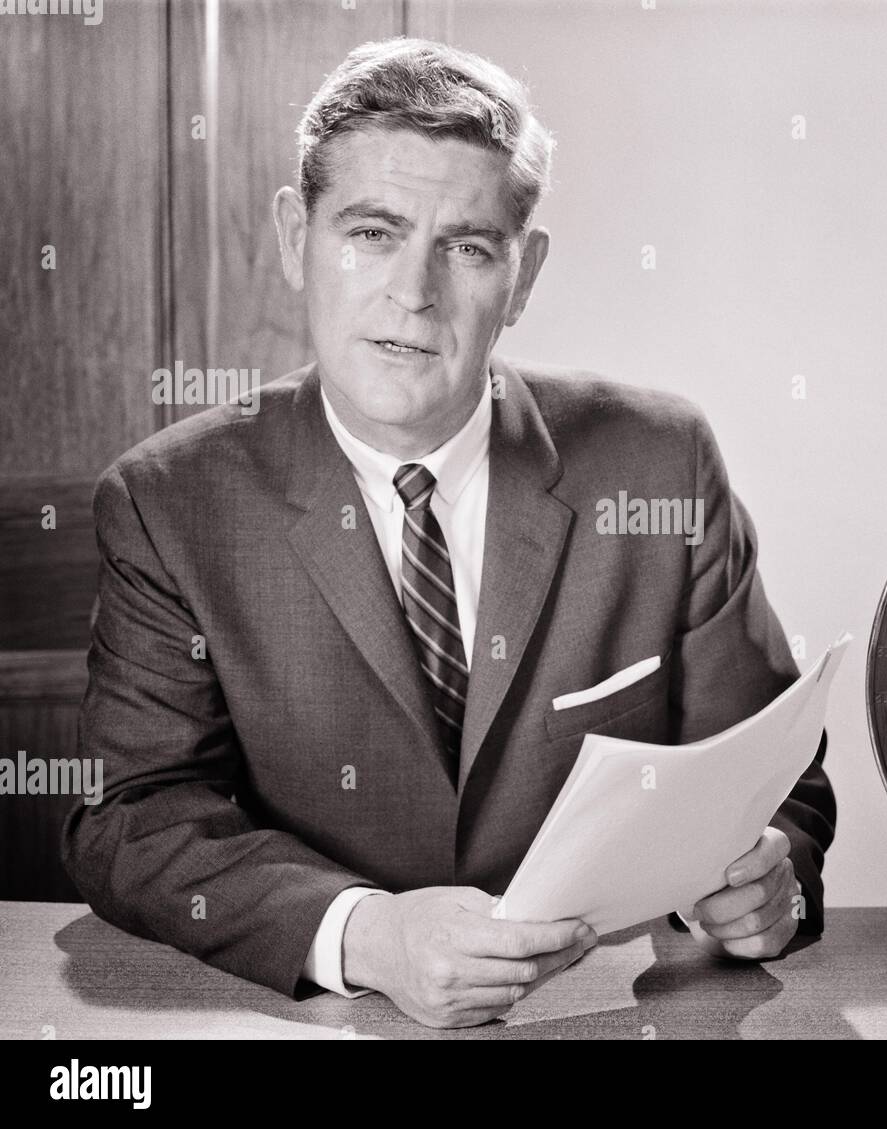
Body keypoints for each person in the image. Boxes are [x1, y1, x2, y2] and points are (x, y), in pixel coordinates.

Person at [62, 36, 836, 1030]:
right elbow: (134, 814)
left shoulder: (661, 459)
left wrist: (775, 872)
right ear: (295, 237)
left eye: (467, 247)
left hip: (595, 1013)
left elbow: (772, 766)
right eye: (372, 233)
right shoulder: (169, 500)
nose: (413, 293)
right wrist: (364, 933)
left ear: (522, 277)